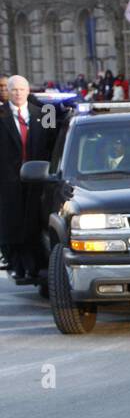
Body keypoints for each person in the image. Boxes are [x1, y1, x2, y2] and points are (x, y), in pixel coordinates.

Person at [1, 76, 55, 284]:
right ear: (8, 92)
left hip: (37, 179)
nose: (17, 93)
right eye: (13, 90)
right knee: (12, 224)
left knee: (33, 223)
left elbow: (53, 139)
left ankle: (34, 265)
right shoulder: (1, 113)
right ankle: (17, 265)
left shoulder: (43, 113)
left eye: (22, 89)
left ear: (27, 91)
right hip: (9, 181)